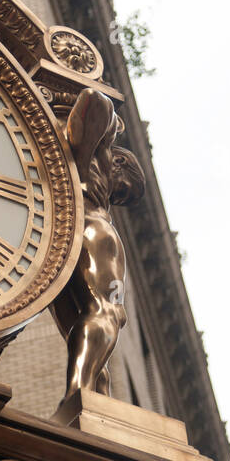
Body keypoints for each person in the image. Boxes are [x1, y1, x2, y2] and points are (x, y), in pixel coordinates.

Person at [51, 87, 146, 417]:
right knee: (109, 312)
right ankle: (79, 394)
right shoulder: (103, 150)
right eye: (122, 189)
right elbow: (95, 97)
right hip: (93, 227)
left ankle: (92, 402)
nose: (115, 195)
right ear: (119, 161)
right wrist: (83, 156)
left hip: (57, 232)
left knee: (81, 324)